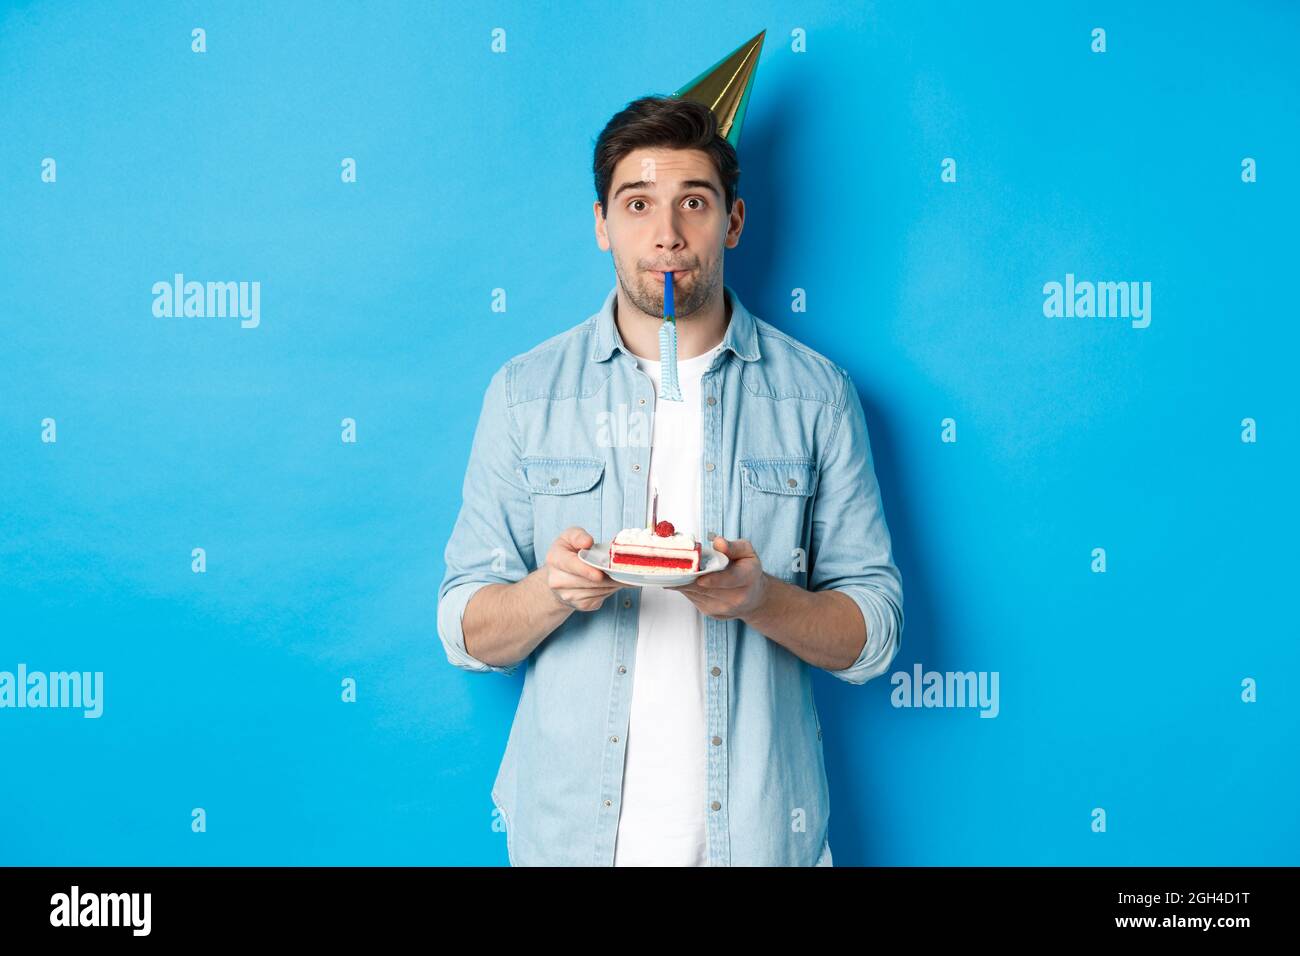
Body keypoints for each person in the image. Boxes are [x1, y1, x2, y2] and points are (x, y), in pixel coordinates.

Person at [437, 90, 903, 867]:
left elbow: (874, 634)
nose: (666, 235)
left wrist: (760, 599)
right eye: (637, 203)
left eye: (693, 201)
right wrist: (553, 590)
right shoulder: (524, 393)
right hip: (568, 842)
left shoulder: (817, 396)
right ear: (600, 225)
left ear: (734, 221)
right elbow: (464, 629)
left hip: (757, 841)